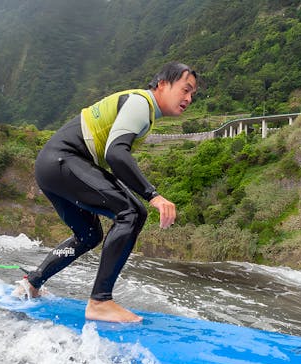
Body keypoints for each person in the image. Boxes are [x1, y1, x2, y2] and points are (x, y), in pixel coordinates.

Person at [12, 62, 198, 323]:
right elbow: (116, 154)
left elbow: (115, 159)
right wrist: (153, 195)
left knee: (88, 235)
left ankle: (31, 283)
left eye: (193, 95)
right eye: (185, 90)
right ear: (163, 84)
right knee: (132, 213)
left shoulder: (144, 109)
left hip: (52, 166)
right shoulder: (140, 103)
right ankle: (100, 301)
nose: (189, 99)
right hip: (63, 160)